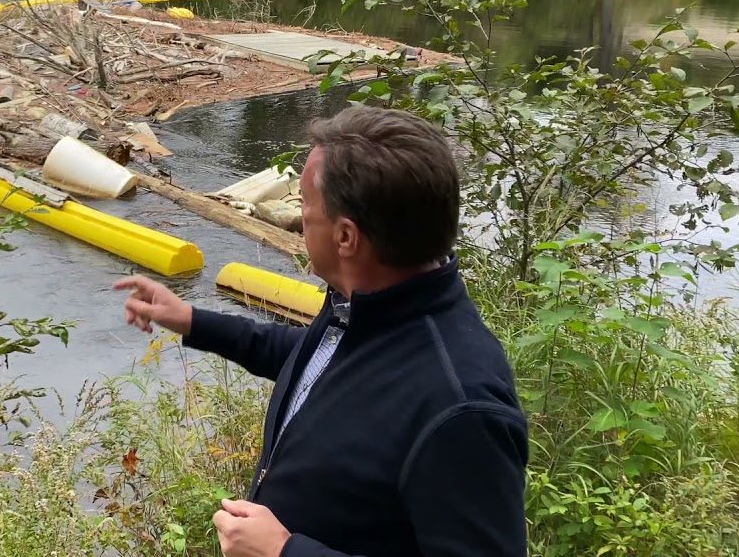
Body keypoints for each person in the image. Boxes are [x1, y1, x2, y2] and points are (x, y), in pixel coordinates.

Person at [113, 105, 528, 557]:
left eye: (305, 205)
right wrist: (193, 320)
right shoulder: (365, 307)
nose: (299, 215)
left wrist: (284, 551)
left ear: (346, 237)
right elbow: (315, 363)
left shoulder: (461, 407)